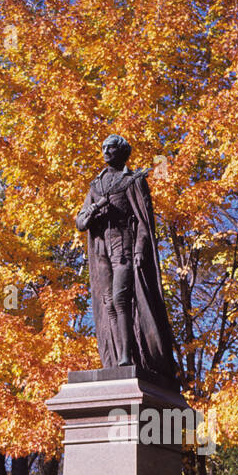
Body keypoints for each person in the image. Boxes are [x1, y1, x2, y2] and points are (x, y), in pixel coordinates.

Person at [75, 134, 178, 381]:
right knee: (108, 303)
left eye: (111, 147)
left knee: (121, 299)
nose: (105, 151)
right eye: (103, 147)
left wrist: (141, 249)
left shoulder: (133, 181)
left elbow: (143, 222)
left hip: (124, 248)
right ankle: (115, 358)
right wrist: (93, 210)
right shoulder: (95, 186)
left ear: (122, 152)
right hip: (102, 250)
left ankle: (126, 357)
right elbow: (80, 222)